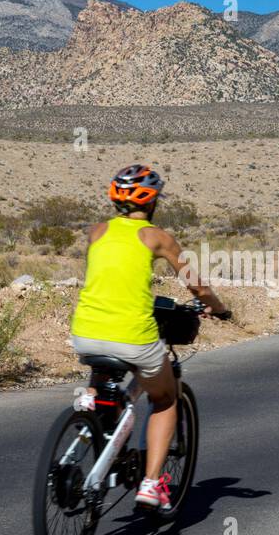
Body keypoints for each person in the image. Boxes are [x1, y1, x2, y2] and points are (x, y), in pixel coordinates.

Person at [69, 165, 231, 508]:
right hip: (132, 336)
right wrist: (218, 308)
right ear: (152, 200)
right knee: (166, 398)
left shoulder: (96, 232)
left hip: (85, 333)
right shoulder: (157, 237)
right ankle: (152, 483)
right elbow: (196, 284)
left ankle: (92, 410)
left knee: (105, 373)